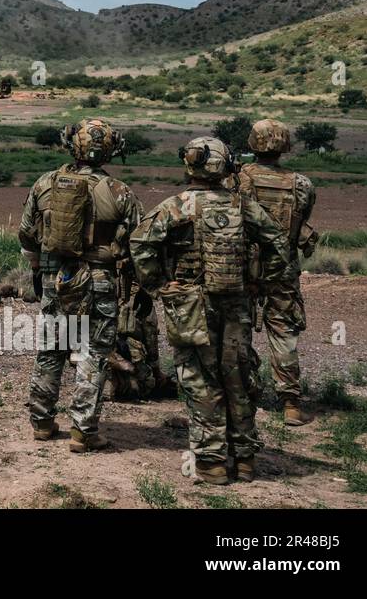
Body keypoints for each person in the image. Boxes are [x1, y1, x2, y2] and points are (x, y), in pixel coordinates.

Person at [131, 136, 291, 485]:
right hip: (236, 305)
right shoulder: (243, 206)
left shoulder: (177, 206)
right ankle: (245, 459)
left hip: (190, 305)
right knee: (238, 376)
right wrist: (262, 285)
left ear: (191, 165)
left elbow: (141, 243)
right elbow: (278, 243)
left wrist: (157, 285)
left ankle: (212, 462)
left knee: (200, 380)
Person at [19, 119, 140, 452]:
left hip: (56, 279)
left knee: (51, 351)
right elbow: (138, 243)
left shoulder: (45, 184)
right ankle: (83, 431)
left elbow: (27, 237)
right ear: (110, 151)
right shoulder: (120, 192)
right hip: (100, 281)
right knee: (94, 354)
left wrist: (44, 271)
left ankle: (42, 423)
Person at [239, 119, 319, 426]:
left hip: (242, 268)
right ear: (284, 145)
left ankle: (244, 394)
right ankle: (290, 404)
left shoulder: (237, 179)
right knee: (284, 334)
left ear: (253, 143)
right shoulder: (302, 184)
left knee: (239, 332)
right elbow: (301, 220)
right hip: (282, 268)